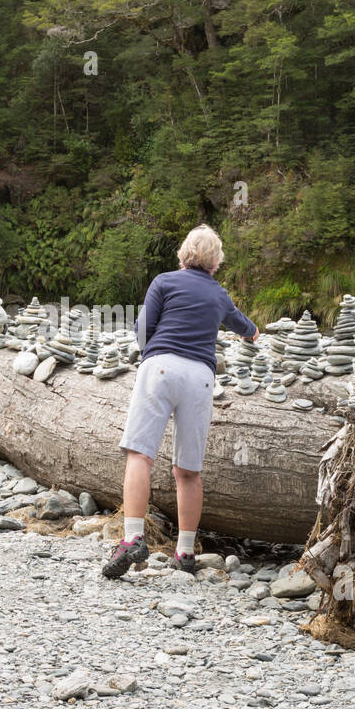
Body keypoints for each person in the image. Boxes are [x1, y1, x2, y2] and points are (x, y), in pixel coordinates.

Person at [102, 224, 258, 578]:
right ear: (215, 263)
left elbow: (142, 329)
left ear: (183, 255)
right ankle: (185, 552)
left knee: (141, 454)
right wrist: (253, 332)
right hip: (200, 377)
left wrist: (150, 353)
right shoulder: (219, 295)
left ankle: (132, 541)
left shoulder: (164, 282)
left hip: (160, 368)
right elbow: (243, 326)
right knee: (188, 471)